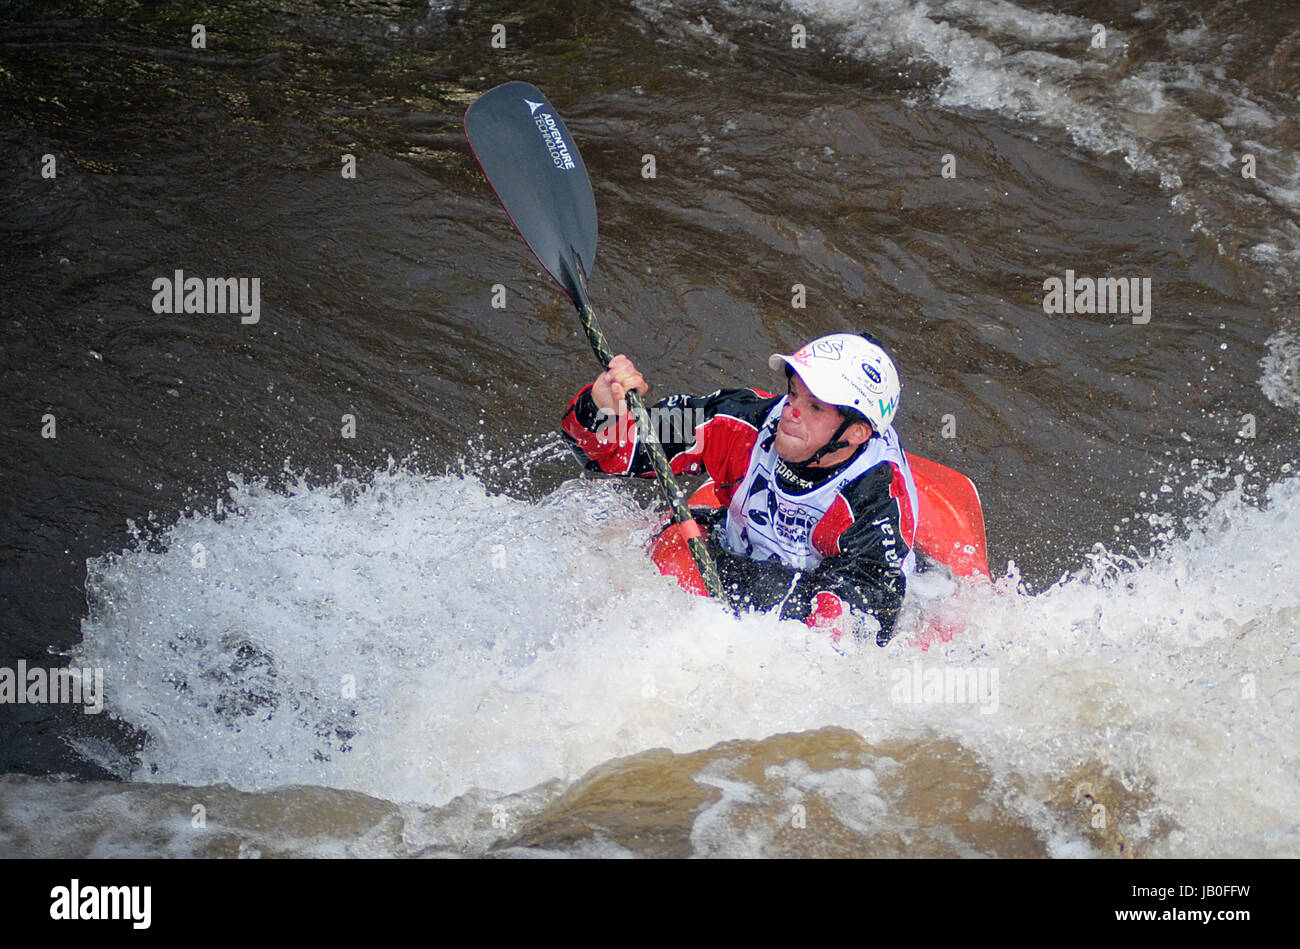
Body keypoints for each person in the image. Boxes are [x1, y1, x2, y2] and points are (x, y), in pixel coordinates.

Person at [560, 332, 919, 645]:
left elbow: (857, 624)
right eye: (793, 394)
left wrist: (736, 590)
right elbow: (613, 450)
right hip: (739, 554)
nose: (791, 412)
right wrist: (602, 409)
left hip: (811, 584)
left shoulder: (877, 499)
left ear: (855, 433)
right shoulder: (742, 421)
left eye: (815, 407)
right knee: (666, 549)